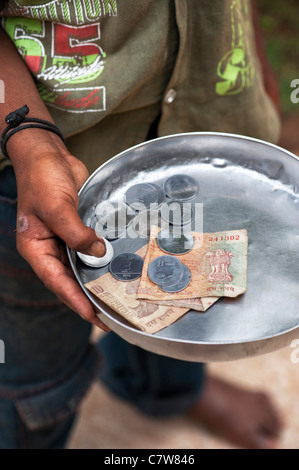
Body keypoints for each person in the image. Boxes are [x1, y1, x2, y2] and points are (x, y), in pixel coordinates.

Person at [0, 0, 282, 449]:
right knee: (39, 371)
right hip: (47, 172)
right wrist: (28, 139)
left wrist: (259, 81)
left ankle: (165, 389)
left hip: (206, 139)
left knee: (188, 300)